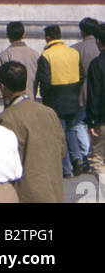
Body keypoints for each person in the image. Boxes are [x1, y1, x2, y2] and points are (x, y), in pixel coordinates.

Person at [0, 59, 66, 202]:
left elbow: (5, 163)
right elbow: (62, 149)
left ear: (2, 87)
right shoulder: (49, 112)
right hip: (54, 190)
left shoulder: (7, 118)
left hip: (26, 193)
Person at [35, 24, 85, 177]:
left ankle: (66, 168)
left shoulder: (46, 55)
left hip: (55, 99)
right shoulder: (73, 52)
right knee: (71, 129)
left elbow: (44, 81)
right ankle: (77, 159)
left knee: (59, 133)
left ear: (48, 37)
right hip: (73, 96)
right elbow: (82, 75)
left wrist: (46, 99)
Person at [72, 17, 100, 169]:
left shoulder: (75, 49)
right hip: (100, 95)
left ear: (82, 31)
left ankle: (87, 154)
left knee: (79, 124)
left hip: (82, 94)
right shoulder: (99, 48)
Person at [0, 21, 39, 107]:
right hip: (31, 101)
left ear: (8, 36)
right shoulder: (35, 55)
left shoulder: (4, 55)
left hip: (11, 103)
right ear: (23, 35)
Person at [85, 24, 105, 175]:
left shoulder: (96, 64)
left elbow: (94, 94)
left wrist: (91, 121)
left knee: (97, 159)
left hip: (102, 120)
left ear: (98, 41)